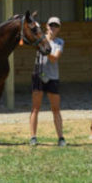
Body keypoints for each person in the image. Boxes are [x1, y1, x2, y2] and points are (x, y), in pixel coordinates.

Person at [29, 17, 66, 147]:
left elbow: (54, 58)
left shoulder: (60, 42)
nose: (53, 28)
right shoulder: (40, 38)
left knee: (55, 108)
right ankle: (33, 137)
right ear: (46, 26)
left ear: (59, 28)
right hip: (38, 75)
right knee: (35, 108)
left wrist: (46, 50)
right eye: (51, 25)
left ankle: (61, 137)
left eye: (56, 26)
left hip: (52, 77)